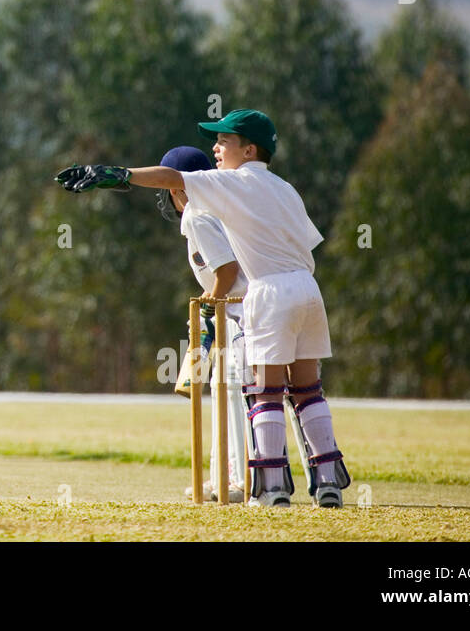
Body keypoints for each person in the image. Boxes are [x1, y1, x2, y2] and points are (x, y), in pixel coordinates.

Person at [56, 109, 350, 507]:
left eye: (223, 141)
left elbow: (171, 179)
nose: (215, 147)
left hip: (265, 294)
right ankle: (328, 482)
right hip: (308, 289)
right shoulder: (285, 188)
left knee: (265, 392)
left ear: (248, 150)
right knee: (308, 390)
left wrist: (116, 174)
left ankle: (273, 490)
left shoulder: (232, 182)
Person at [156, 146, 249, 503]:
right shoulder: (216, 209)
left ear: (180, 188)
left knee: (235, 393)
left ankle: (242, 480)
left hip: (240, 315)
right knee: (220, 390)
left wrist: (210, 303)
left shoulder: (198, 214)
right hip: (229, 314)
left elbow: (227, 271)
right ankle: (222, 477)